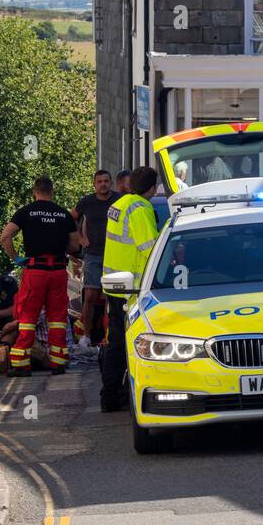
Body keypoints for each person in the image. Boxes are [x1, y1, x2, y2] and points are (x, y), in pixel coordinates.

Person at [0, 176, 80, 377]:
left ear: (35, 192)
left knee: (27, 317)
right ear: (52, 192)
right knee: (57, 318)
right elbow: (75, 245)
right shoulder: (64, 214)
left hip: (35, 271)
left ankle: (20, 365)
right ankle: (58, 363)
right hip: (58, 272)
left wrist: (17, 258)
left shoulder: (26, 211)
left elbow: (5, 236)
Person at [100, 166, 160, 412]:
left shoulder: (121, 204)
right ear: (152, 188)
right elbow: (151, 249)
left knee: (115, 343)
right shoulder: (139, 209)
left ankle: (111, 394)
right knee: (136, 343)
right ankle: (119, 394)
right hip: (133, 290)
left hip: (115, 284)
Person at [73, 169, 118, 356]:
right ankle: (86, 336)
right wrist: (79, 237)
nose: (103, 184)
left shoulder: (118, 199)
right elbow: (72, 217)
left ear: (111, 183)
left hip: (115, 254)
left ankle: (111, 336)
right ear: (94, 184)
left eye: (106, 181)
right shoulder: (87, 202)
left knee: (112, 297)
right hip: (92, 255)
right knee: (90, 296)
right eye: (99, 181)